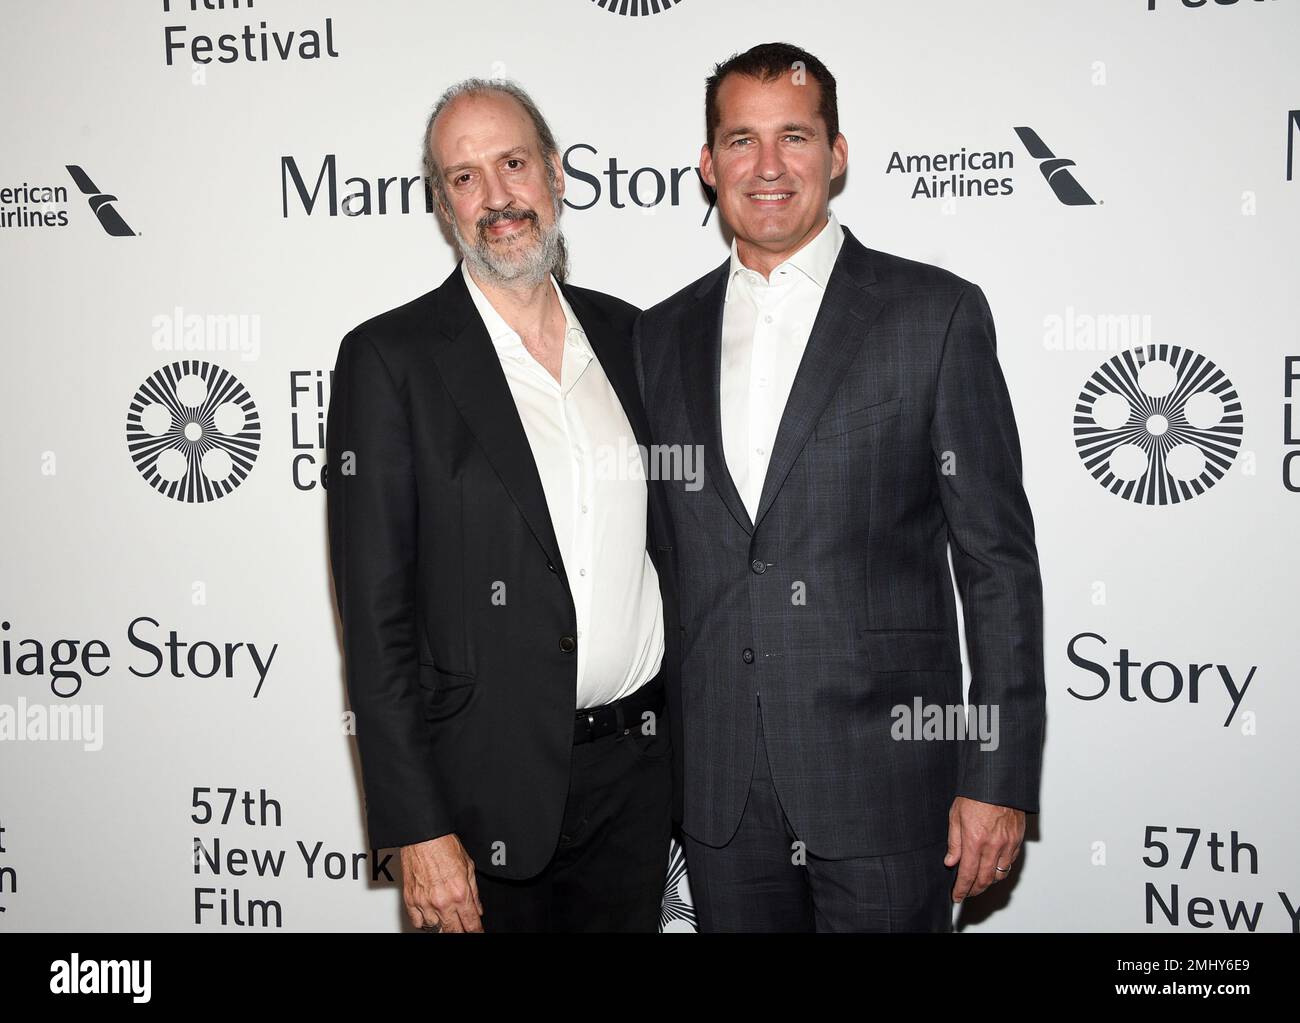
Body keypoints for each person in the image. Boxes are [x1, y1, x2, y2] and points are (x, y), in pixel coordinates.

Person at [634, 42, 1046, 932]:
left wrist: (999, 776)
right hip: (718, 795)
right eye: (741, 141)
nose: (769, 166)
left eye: (795, 136)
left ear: (838, 153)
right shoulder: (657, 339)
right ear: (709, 166)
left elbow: (997, 562)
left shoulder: (932, 314)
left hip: (888, 786)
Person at [326, 78, 681, 933]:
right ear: (443, 204)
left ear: (556, 174)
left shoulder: (636, 339)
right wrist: (417, 827)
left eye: (513, 163)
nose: (495, 198)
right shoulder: (390, 361)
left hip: (638, 786)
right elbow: (376, 624)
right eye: (463, 177)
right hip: (481, 798)